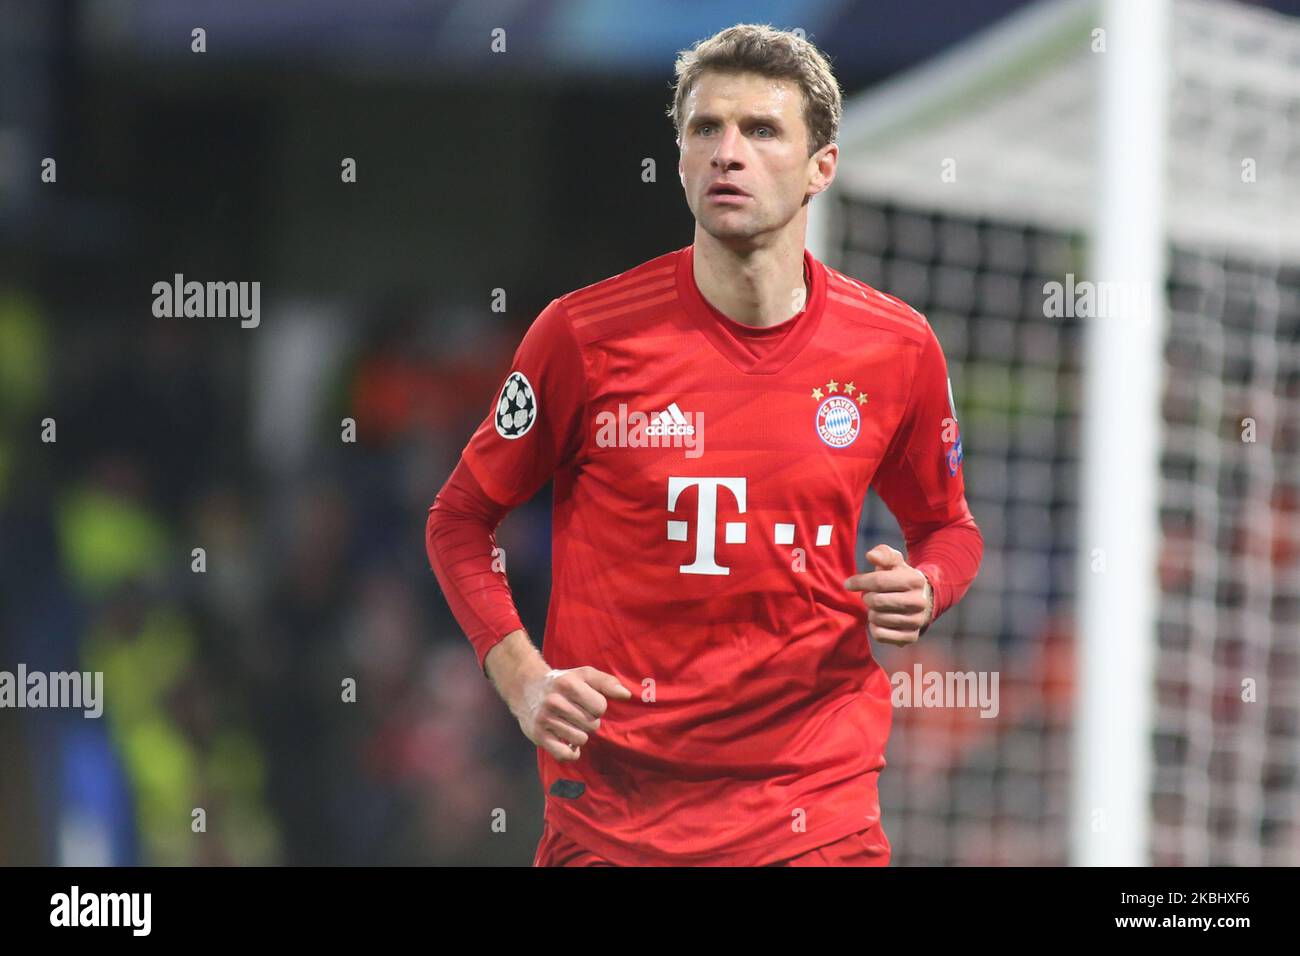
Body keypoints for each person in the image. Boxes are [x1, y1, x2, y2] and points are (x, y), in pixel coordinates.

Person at [426, 23, 983, 866]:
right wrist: (523, 679)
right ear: (681, 158)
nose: (729, 152)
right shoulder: (582, 336)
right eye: (705, 130)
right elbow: (460, 519)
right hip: (616, 821)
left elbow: (950, 529)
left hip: (814, 814)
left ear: (820, 168)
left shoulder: (895, 350)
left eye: (761, 131)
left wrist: (928, 585)